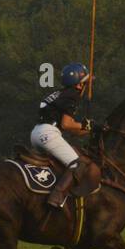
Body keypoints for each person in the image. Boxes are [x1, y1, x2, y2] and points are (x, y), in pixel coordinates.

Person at [32, 62, 96, 208]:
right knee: (78, 164)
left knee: (60, 165)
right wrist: (88, 125)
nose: (86, 87)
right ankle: (57, 197)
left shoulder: (60, 94)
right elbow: (68, 124)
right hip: (48, 133)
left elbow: (73, 130)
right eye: (85, 83)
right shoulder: (72, 95)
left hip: (37, 133)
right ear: (79, 85)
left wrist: (91, 129)